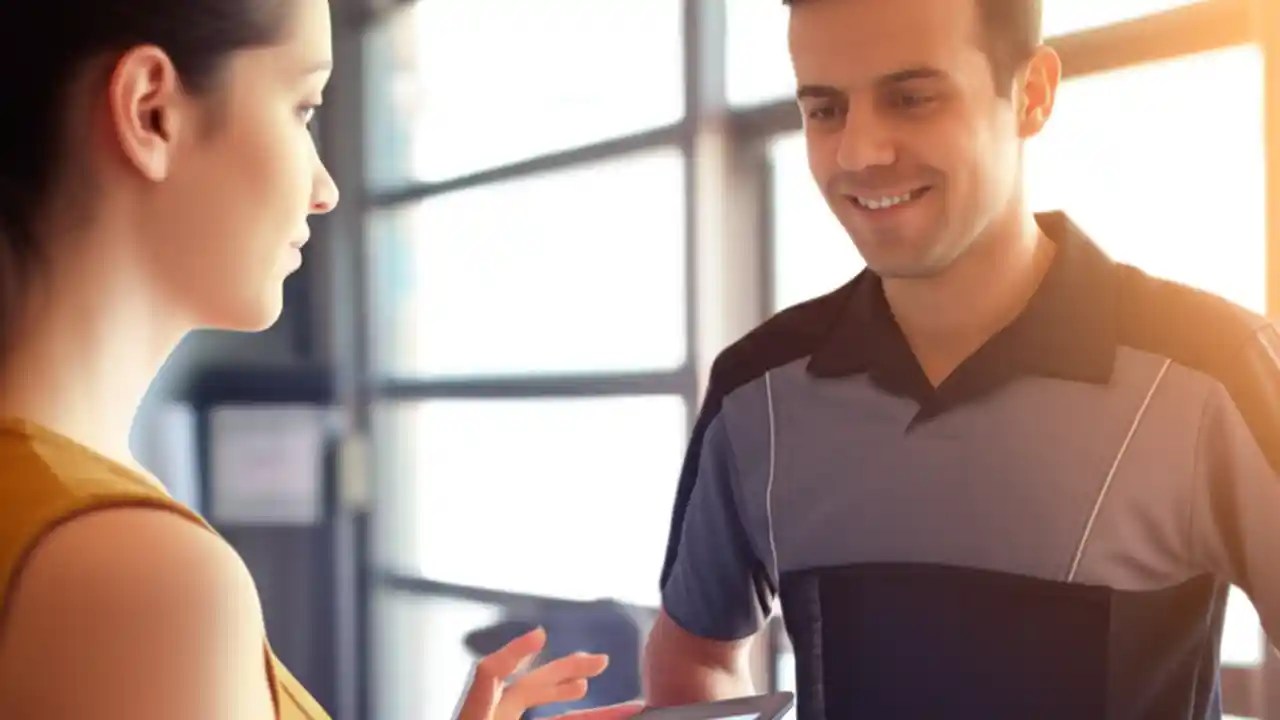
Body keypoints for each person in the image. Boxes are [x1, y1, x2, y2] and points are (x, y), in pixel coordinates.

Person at [0, 2, 642, 719]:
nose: (325, 189)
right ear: (152, 113)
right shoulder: (135, 575)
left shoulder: (74, 525)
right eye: (302, 108)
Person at [644, 0, 1280, 717]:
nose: (859, 153)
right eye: (826, 111)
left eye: (912, 99)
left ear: (1032, 94)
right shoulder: (756, 392)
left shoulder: (1211, 371)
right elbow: (695, 655)